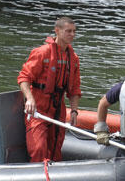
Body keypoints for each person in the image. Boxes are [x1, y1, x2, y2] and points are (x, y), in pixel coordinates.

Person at [18, 17, 81, 162]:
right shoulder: (41, 53)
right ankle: (37, 173)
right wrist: (30, 99)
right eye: (68, 31)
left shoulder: (73, 58)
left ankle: (52, 174)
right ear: (57, 31)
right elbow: (24, 78)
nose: (72, 34)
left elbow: (74, 89)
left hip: (58, 109)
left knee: (55, 150)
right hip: (38, 109)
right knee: (38, 148)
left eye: (74, 31)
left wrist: (74, 110)